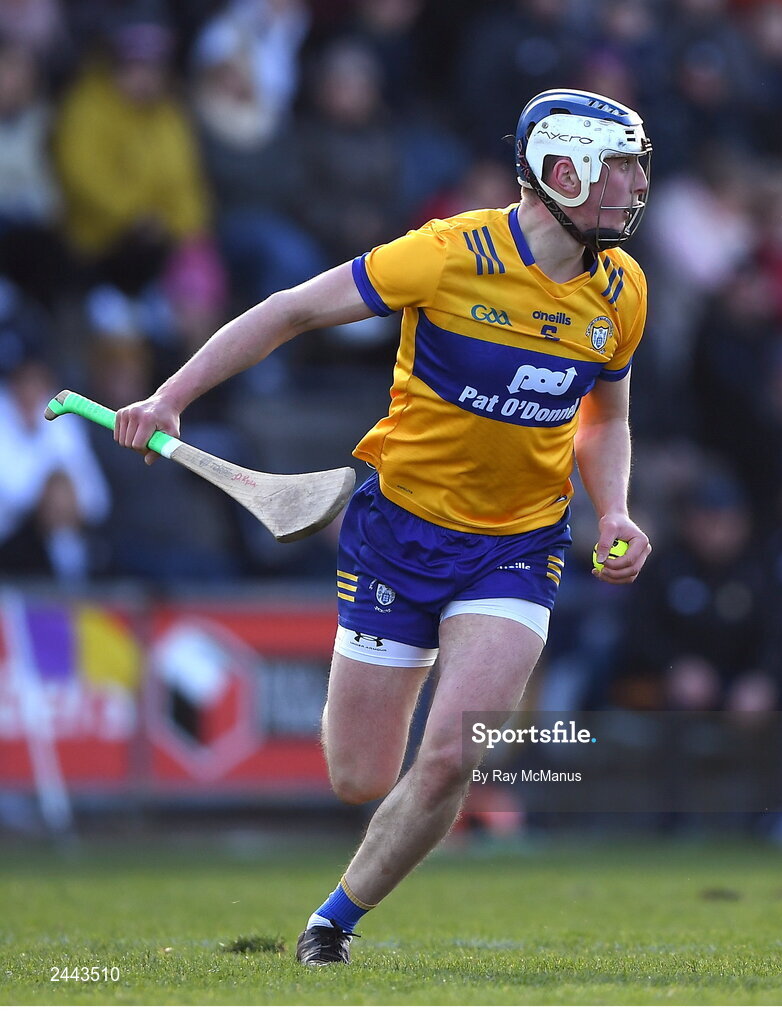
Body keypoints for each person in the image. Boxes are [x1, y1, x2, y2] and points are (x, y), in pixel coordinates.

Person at [111, 87, 653, 966]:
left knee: (449, 757)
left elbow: (609, 417)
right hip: (398, 533)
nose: (635, 184)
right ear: (565, 172)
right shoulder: (445, 255)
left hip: (519, 544)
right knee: (358, 774)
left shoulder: (622, 288)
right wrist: (172, 396)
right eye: (620, 166)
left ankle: (332, 922)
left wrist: (618, 506)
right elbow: (290, 309)